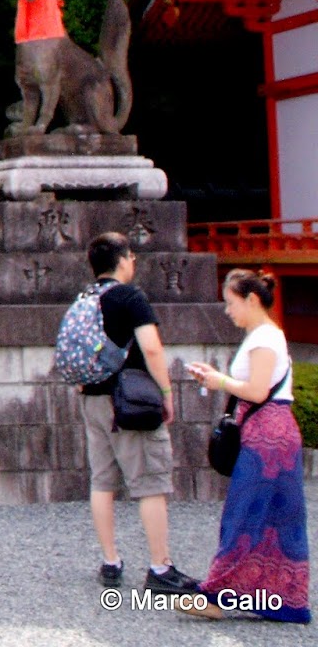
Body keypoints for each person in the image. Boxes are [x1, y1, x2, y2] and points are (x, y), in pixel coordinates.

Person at [185, 269, 309, 622]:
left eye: (231, 303)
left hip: (267, 436)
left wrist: (218, 379)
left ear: (251, 299)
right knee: (273, 517)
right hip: (271, 432)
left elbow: (255, 391)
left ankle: (216, 595)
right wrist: (217, 378)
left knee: (245, 513)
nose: (228, 311)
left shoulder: (264, 339)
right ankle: (283, 599)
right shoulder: (265, 336)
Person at [78, 232, 196, 597]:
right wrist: (166, 393)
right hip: (130, 402)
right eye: (131, 256)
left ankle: (110, 561)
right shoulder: (130, 297)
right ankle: (160, 567)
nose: (134, 262)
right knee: (150, 483)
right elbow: (152, 349)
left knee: (102, 480)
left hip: (92, 400)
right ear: (123, 259)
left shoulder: (84, 298)